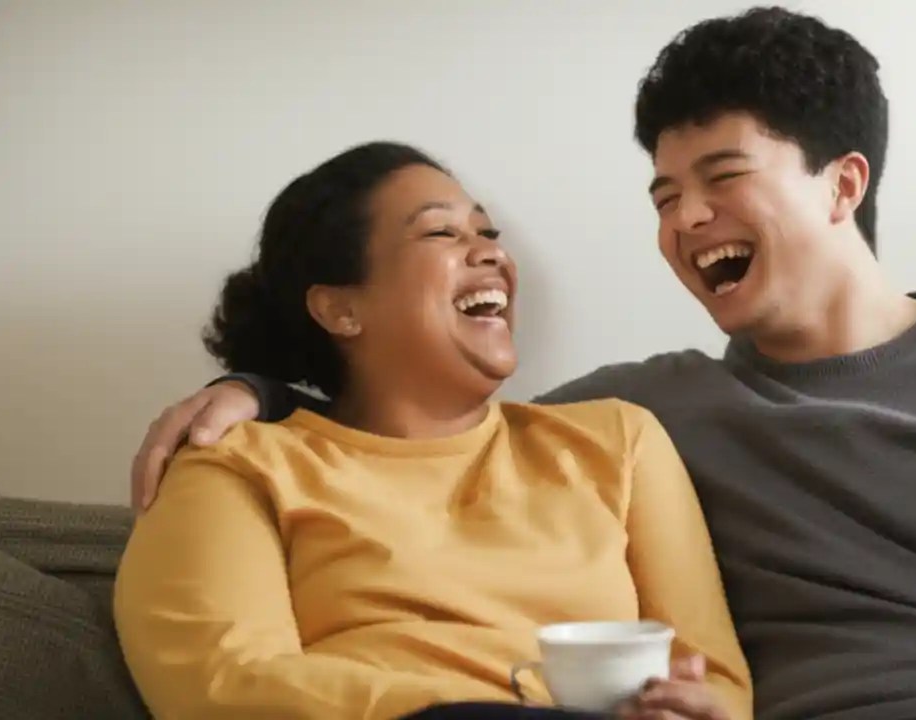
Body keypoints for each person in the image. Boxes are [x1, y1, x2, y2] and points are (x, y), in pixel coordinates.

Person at [130, 7, 916, 720]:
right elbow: (416, 437)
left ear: (841, 185)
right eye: (660, 195)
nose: (685, 218)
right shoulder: (646, 413)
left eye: (720, 177)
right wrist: (259, 387)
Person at [113, 141, 752, 720]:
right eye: (441, 232)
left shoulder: (618, 441)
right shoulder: (234, 464)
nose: (493, 253)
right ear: (340, 308)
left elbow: (716, 679)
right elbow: (227, 686)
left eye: (489, 232)